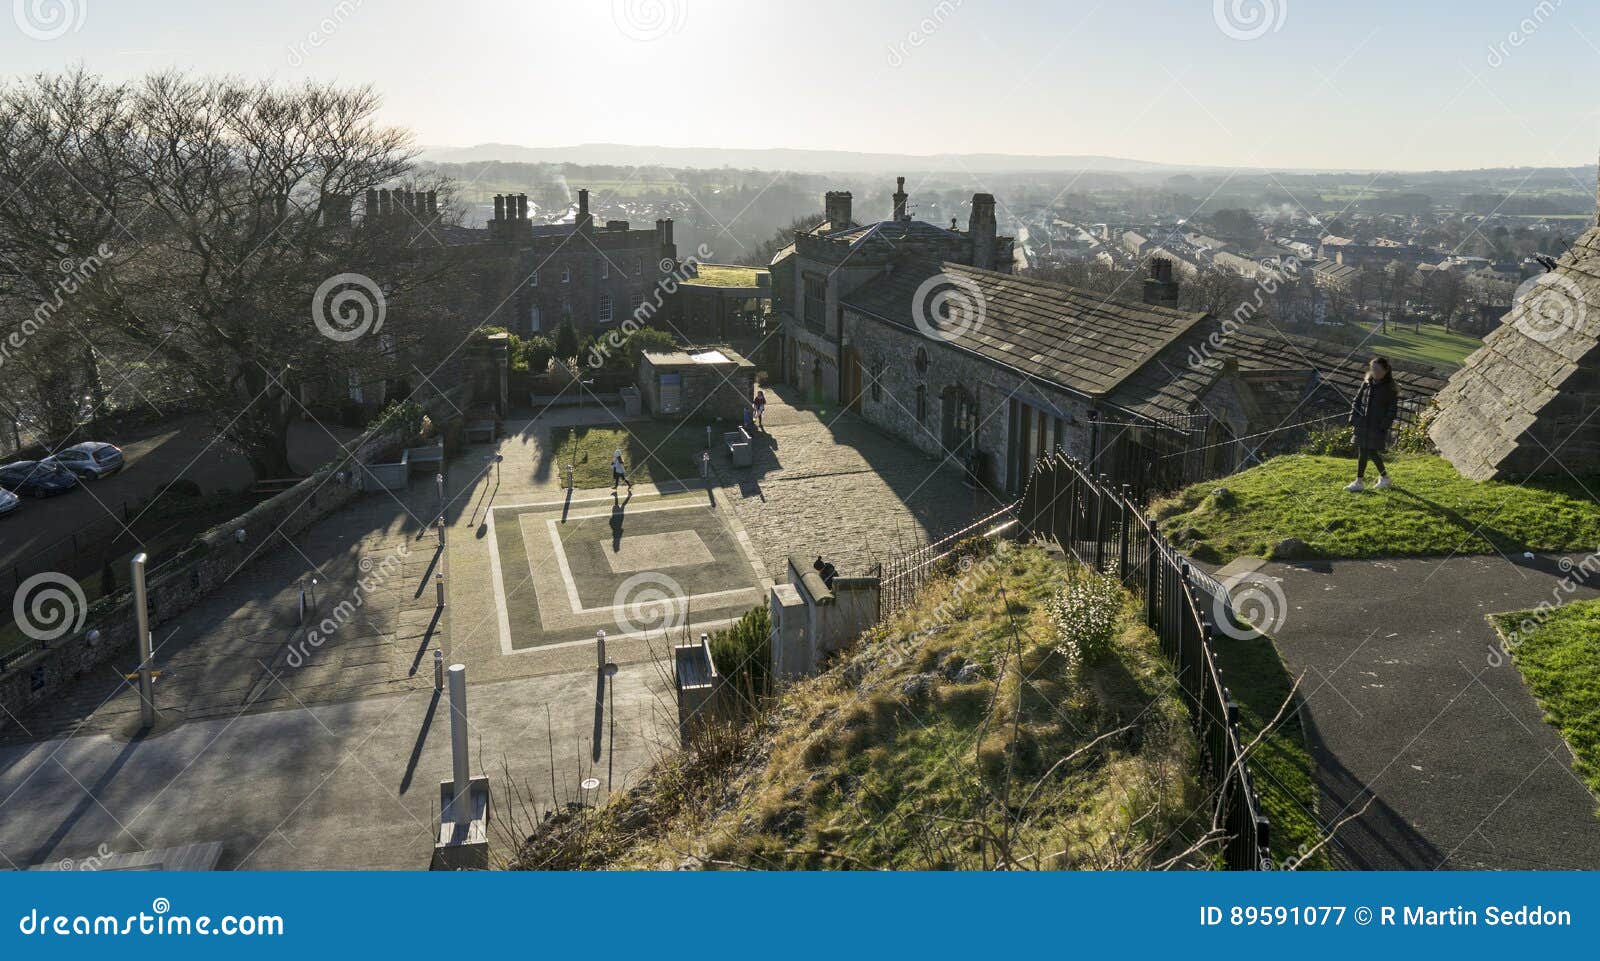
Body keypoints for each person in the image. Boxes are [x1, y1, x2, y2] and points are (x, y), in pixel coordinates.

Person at [1345, 356, 1399, 493]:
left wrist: (1383, 426)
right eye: (1373, 368)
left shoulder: (1390, 388)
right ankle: (1359, 481)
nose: (1375, 372)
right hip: (1362, 424)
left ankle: (1384, 478)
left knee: (1372, 452)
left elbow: (1392, 410)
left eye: (1378, 369)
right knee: (1362, 451)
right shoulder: (1366, 383)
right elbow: (1356, 401)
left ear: (1386, 370)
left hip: (1376, 426)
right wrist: (1353, 417)